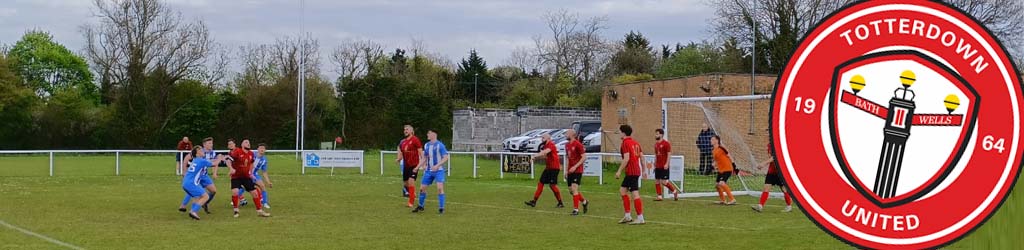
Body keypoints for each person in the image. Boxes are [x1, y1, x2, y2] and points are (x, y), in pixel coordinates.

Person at [181, 146, 226, 220]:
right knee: (206, 197)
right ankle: (193, 211)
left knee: (197, 197)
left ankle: (193, 214)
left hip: (185, 182)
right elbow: (214, 164)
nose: (203, 151)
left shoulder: (195, 160)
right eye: (201, 150)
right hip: (192, 183)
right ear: (197, 154)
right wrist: (220, 158)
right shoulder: (201, 160)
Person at [229, 139, 270, 217]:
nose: (248, 144)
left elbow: (251, 163)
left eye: (249, 142)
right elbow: (228, 159)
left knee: (255, 193)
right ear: (242, 145)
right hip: (236, 176)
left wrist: (250, 173)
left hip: (246, 177)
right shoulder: (237, 151)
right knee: (235, 192)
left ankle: (260, 211)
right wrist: (231, 168)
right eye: (246, 142)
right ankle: (236, 210)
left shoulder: (251, 153)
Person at [616, 124, 647, 225]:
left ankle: (640, 217)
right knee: (623, 191)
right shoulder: (635, 143)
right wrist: (644, 170)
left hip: (631, 171)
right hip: (635, 171)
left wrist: (619, 171)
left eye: (619, 131)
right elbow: (642, 157)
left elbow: (626, 158)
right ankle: (628, 216)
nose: (619, 133)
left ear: (623, 133)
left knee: (635, 193)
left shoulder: (625, 143)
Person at [412, 129, 449, 214]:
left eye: (429, 133)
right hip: (428, 171)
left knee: (440, 188)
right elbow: (424, 158)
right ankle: (421, 206)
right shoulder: (427, 145)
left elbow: (446, 157)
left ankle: (441, 208)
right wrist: (417, 167)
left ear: (434, 134)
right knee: (422, 189)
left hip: (438, 171)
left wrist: (437, 165)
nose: (427, 134)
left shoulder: (440, 145)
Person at [178, 137, 218, 214]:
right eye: (209, 143)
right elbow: (186, 158)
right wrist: (184, 170)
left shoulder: (212, 152)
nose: (211, 145)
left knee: (213, 191)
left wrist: (214, 173)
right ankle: (187, 207)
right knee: (194, 191)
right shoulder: (199, 151)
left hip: (204, 176)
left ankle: (204, 203)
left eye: (212, 143)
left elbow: (214, 163)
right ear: (204, 145)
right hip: (197, 174)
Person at [524, 133, 564, 208]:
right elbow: (544, 155)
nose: (541, 139)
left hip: (554, 168)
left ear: (548, 138)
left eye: (543, 138)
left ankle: (560, 202)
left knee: (552, 186)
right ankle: (534, 201)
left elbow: (545, 152)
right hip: (548, 168)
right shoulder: (546, 146)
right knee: (541, 183)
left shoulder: (551, 145)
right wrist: (535, 158)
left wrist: (534, 156)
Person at [753, 142, 793, 213]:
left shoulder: (778, 144)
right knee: (766, 188)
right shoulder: (769, 145)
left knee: (784, 189)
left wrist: (763, 163)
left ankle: (789, 206)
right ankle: (760, 206)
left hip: (780, 172)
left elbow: (775, 157)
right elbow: (771, 157)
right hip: (771, 171)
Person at [563, 129, 589, 216]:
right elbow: (567, 158)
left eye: (566, 133)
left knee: (574, 189)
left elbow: (584, 157)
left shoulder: (578, 144)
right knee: (571, 191)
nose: (565, 135)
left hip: (577, 170)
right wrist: (566, 170)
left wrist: (575, 166)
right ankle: (584, 202)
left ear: (572, 134)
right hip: (570, 170)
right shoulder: (567, 145)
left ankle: (576, 209)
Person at [651, 129, 681, 201]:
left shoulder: (666, 144)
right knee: (657, 181)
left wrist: (667, 163)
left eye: (657, 134)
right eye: (656, 134)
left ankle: (674, 192)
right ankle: (659, 196)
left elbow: (669, 154)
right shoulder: (656, 144)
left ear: (661, 135)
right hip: (658, 166)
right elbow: (656, 154)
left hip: (664, 165)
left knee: (664, 182)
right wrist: (655, 163)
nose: (656, 135)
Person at [399, 125, 424, 208]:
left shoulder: (415, 139)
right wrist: (399, 158)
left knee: (410, 181)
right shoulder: (403, 142)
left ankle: (411, 202)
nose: (405, 131)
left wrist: (423, 163)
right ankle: (412, 193)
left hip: (414, 165)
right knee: (406, 183)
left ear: (411, 131)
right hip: (406, 166)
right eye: (404, 129)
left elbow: (420, 152)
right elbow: (401, 151)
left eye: (407, 129)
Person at [712, 135, 737, 205]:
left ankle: (732, 199)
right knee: (717, 185)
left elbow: (729, 155)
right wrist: (712, 167)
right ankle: (723, 200)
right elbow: (716, 161)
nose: (711, 141)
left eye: (713, 139)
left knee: (722, 183)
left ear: (717, 140)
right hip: (721, 170)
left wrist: (734, 166)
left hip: (727, 168)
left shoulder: (722, 148)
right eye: (711, 140)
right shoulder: (714, 150)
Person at [253, 143, 273, 209]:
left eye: (263, 148)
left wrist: (268, 182)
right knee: (243, 187)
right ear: (257, 149)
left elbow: (264, 172)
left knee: (262, 186)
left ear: (265, 150)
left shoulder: (264, 160)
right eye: (260, 148)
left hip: (255, 174)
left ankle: (265, 203)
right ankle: (236, 199)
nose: (262, 149)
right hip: (246, 173)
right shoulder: (252, 155)